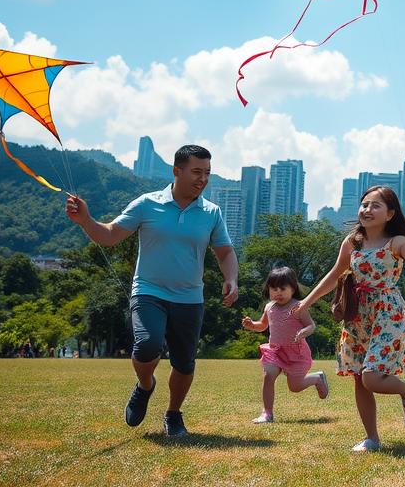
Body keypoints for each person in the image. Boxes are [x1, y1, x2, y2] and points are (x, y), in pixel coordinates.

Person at [66, 144, 239, 437]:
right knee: (147, 345)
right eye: (196, 172)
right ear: (177, 171)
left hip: (189, 297)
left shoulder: (211, 212)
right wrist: (86, 221)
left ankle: (173, 414)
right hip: (149, 291)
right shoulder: (147, 204)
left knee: (184, 363)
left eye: (207, 173)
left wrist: (231, 278)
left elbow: (224, 252)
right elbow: (109, 236)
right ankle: (145, 385)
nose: (203, 179)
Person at [293, 188, 405, 452]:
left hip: (387, 313)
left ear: (390, 214)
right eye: (364, 204)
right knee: (359, 376)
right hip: (357, 316)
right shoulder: (352, 242)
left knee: (371, 376)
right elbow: (334, 275)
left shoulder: (397, 242)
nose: (366, 210)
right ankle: (372, 438)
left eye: (375, 206)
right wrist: (306, 302)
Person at [241, 266, 328, 423]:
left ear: (293, 288)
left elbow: (311, 325)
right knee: (268, 376)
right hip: (275, 351)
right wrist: (251, 325)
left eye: (283, 288)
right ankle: (267, 413)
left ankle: (317, 378)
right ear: (268, 289)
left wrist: (304, 332)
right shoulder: (269, 307)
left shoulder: (298, 306)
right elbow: (262, 325)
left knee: (295, 387)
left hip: (296, 353)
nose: (278, 292)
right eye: (274, 289)